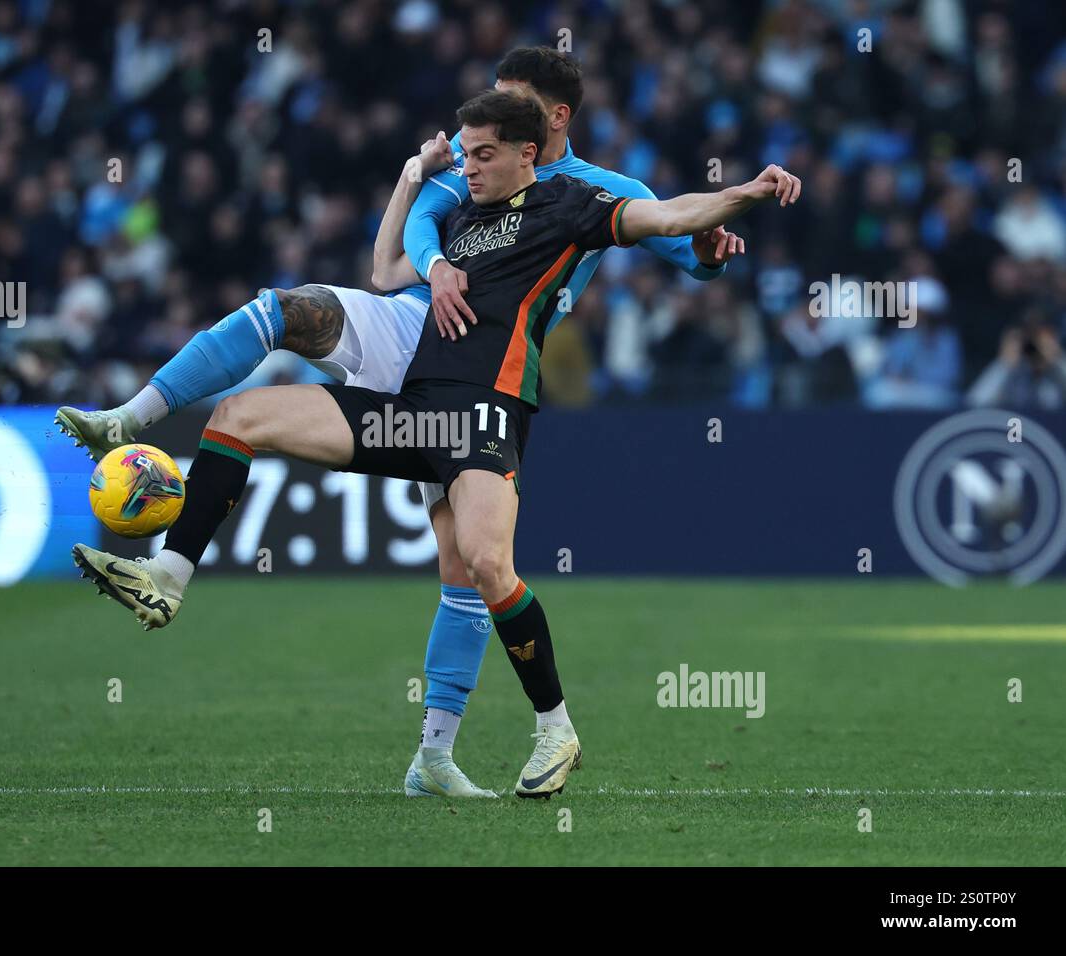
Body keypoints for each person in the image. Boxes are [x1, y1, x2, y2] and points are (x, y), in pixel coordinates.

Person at [68, 90, 801, 798]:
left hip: (485, 414)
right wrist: (414, 176)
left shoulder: (570, 206)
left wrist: (750, 192)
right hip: (415, 413)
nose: (471, 167)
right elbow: (386, 270)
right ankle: (167, 576)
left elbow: (669, 213)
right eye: (467, 154)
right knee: (238, 416)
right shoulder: (458, 218)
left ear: (528, 151)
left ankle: (555, 729)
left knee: (484, 565)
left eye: (484, 155)